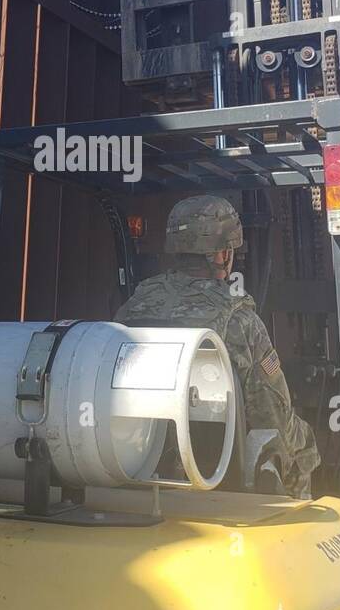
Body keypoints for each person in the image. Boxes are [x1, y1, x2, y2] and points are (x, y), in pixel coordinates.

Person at [115, 195, 319, 498]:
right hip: (212, 473)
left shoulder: (132, 307)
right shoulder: (239, 321)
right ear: (224, 254)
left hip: (137, 459)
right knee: (302, 442)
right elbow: (271, 415)